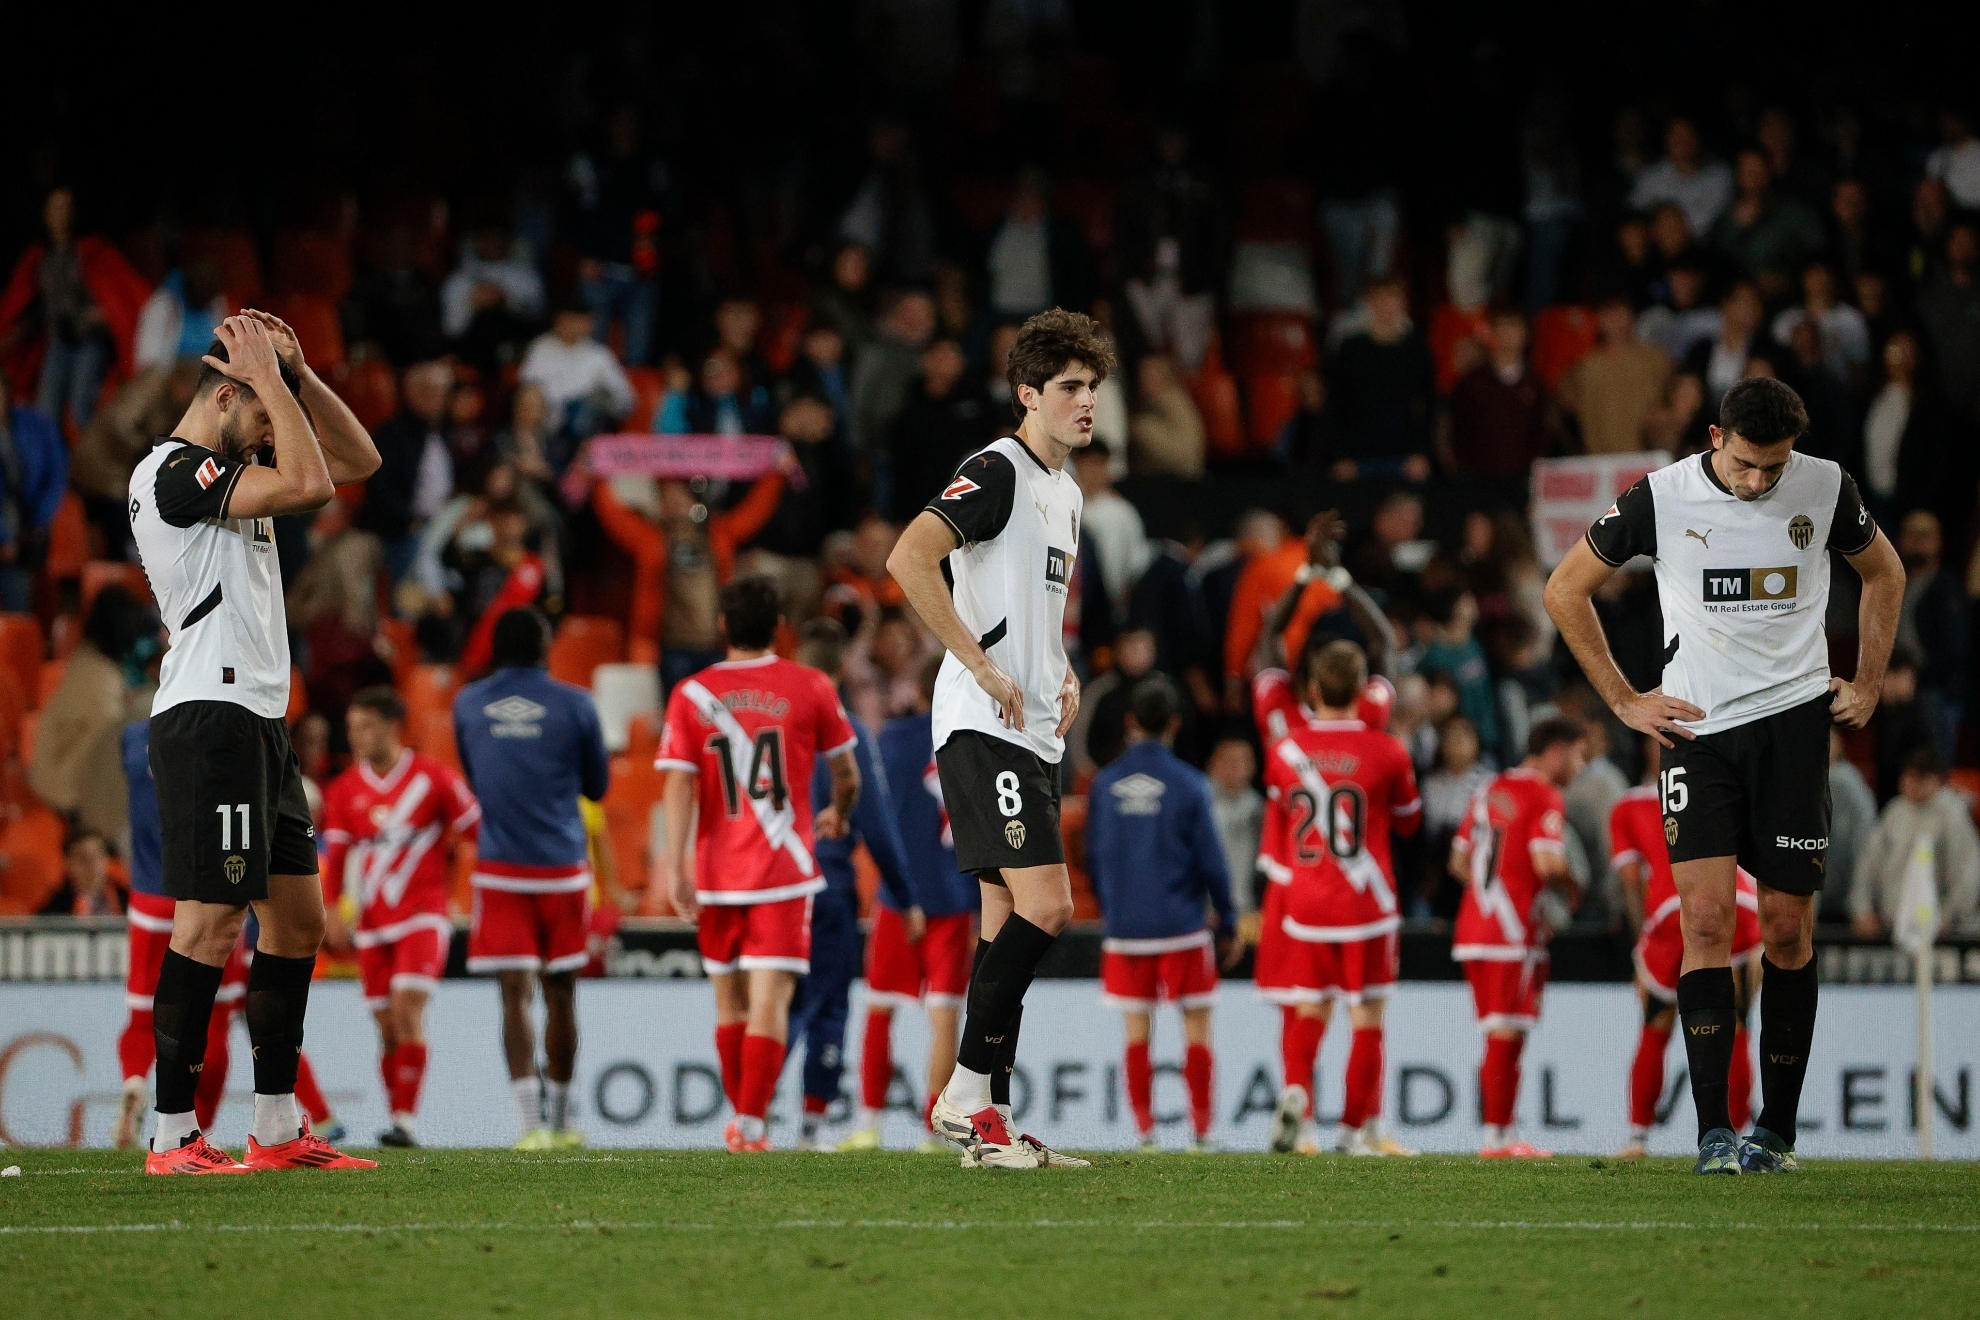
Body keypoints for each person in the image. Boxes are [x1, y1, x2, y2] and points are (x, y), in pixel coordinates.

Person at [1545, 375, 1905, 1174]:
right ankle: (1712, 1133)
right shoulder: (1660, 496)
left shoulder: (1826, 485)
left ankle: (1775, 1132)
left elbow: (1885, 574)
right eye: (1746, 464)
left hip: (1795, 727)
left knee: (1784, 928)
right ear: (1715, 437)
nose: (1759, 481)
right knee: (1703, 922)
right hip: (1699, 732)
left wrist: (1869, 681)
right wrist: (1623, 699)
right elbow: (1565, 588)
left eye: (1774, 468)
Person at [126, 310, 380, 1174]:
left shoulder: (231, 463)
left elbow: (356, 464)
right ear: (227, 394)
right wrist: (271, 383)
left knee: (299, 922)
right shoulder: (171, 472)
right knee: (208, 922)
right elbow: (313, 487)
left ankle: (274, 1128)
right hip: (212, 715)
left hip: (258, 721)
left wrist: (297, 379)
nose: (274, 434)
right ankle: (170, 1133)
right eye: (263, 414)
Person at [884, 306, 1111, 1170]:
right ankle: (962, 1091)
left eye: (1092, 387)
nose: (1086, 402)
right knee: (1050, 907)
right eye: (1069, 389)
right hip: (984, 724)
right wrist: (978, 665)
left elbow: (1036, 606)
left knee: (1002, 924)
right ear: (1029, 394)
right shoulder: (999, 469)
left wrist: (1061, 667)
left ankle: (992, 1126)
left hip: (1034, 724)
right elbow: (909, 557)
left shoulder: (1069, 491)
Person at [657, 578, 860, 1153]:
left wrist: (675, 867)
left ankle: (743, 1124)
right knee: (771, 1003)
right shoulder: (811, 685)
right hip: (783, 870)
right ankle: (750, 1125)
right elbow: (848, 775)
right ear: (780, 628)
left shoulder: (691, 693)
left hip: (716, 873)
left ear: (722, 625)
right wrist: (838, 813)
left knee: (731, 1005)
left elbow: (677, 782)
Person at [455, 608, 610, 1150]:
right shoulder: (577, 704)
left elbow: (476, 776)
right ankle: (564, 1121)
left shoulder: (468, 704)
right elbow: (597, 786)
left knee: (512, 997)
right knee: (562, 995)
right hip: (563, 870)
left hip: (499, 869)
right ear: (546, 650)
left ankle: (529, 1127)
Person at [1264, 641, 1421, 1158]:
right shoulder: (1388, 749)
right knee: (1367, 1018)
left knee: (1308, 1009)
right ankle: (1354, 1134)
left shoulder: (1285, 752)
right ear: (1362, 691)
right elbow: (1409, 821)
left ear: (1311, 690)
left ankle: (1296, 1097)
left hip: (1305, 903)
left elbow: (1285, 821)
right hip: (1366, 907)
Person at [320, 687, 481, 1148]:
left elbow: (477, 830)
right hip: (371, 921)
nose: (357, 737)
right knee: (387, 1025)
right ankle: (396, 1117)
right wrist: (332, 910)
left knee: (408, 1007)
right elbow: (339, 852)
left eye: (366, 726)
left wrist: (477, 888)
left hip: (422, 914)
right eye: (351, 728)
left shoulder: (434, 779)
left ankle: (406, 1121)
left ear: (393, 727)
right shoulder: (344, 789)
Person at [1087, 676, 1235, 1152]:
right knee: (1196, 1028)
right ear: (1174, 723)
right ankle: (1202, 1130)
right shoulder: (1191, 785)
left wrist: (1115, 908)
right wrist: (1228, 920)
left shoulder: (1105, 785)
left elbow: (1096, 854)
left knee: (1136, 1032)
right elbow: (1213, 861)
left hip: (1127, 928)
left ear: (1130, 723)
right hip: (1182, 926)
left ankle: (1145, 1131)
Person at [845, 656, 984, 1152]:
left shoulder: (894, 740)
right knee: (946, 1015)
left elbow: (881, 820)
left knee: (880, 1007)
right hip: (954, 897)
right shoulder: (974, 742)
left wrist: (901, 892)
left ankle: (867, 1123)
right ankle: (933, 1129)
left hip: (900, 899)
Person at [782, 620, 911, 1152]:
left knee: (776, 1000)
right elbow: (877, 823)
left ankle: (750, 1114)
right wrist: (904, 892)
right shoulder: (849, 731)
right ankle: (810, 1131)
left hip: (772, 886)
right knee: (828, 1005)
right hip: (829, 887)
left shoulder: (770, 729)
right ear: (838, 673)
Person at [1611, 737, 1763, 1158]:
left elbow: (1630, 881)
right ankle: (1736, 1138)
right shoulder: (1729, 785)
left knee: (1654, 1027)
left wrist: (1642, 940)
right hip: (1739, 904)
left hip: (1670, 912)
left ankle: (1638, 1138)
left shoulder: (1628, 807)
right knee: (1735, 1028)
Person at [1449, 717, 1586, 1159]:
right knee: (1507, 1034)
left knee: (1499, 1032)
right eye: (1579, 755)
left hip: (1473, 926)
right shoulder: (1544, 794)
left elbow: (1458, 861)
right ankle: (1497, 1138)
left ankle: (1501, 1135)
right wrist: (1573, 886)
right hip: (1511, 932)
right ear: (1556, 751)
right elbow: (1546, 862)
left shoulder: (1488, 789)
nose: (1581, 766)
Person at [1851, 747, 1980, 940]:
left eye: (1921, 778)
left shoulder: (1953, 817)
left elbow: (1966, 877)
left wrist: (1947, 917)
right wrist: (1861, 909)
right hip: (1892, 928)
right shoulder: (1894, 813)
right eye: (1909, 777)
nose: (1912, 784)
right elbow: (1868, 865)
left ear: (1936, 780)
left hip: (1945, 934)